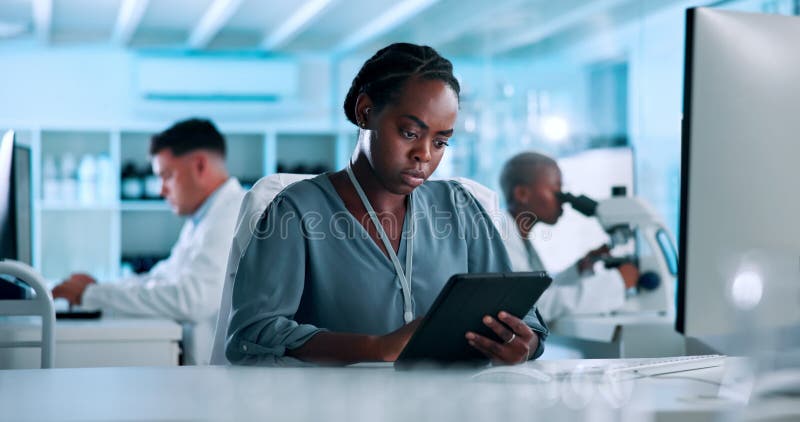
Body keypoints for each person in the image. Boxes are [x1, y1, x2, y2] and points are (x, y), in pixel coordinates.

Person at [223, 43, 548, 366]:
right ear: (365, 112)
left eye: (440, 142)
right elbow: (252, 336)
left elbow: (524, 317)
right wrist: (376, 347)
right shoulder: (296, 211)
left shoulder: (459, 206)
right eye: (409, 133)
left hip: (451, 396)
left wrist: (524, 342)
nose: (424, 154)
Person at [52, 118, 246, 365]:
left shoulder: (231, 215)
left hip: (216, 376)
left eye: (167, 176)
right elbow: (162, 278)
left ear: (199, 165)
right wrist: (101, 289)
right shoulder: (205, 217)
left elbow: (190, 299)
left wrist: (93, 296)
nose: (161, 190)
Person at [498, 152, 639, 322]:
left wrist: (580, 268)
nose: (563, 200)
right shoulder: (502, 241)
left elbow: (541, 291)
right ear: (522, 194)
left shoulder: (519, 238)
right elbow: (534, 305)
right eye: (557, 191)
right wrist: (616, 283)